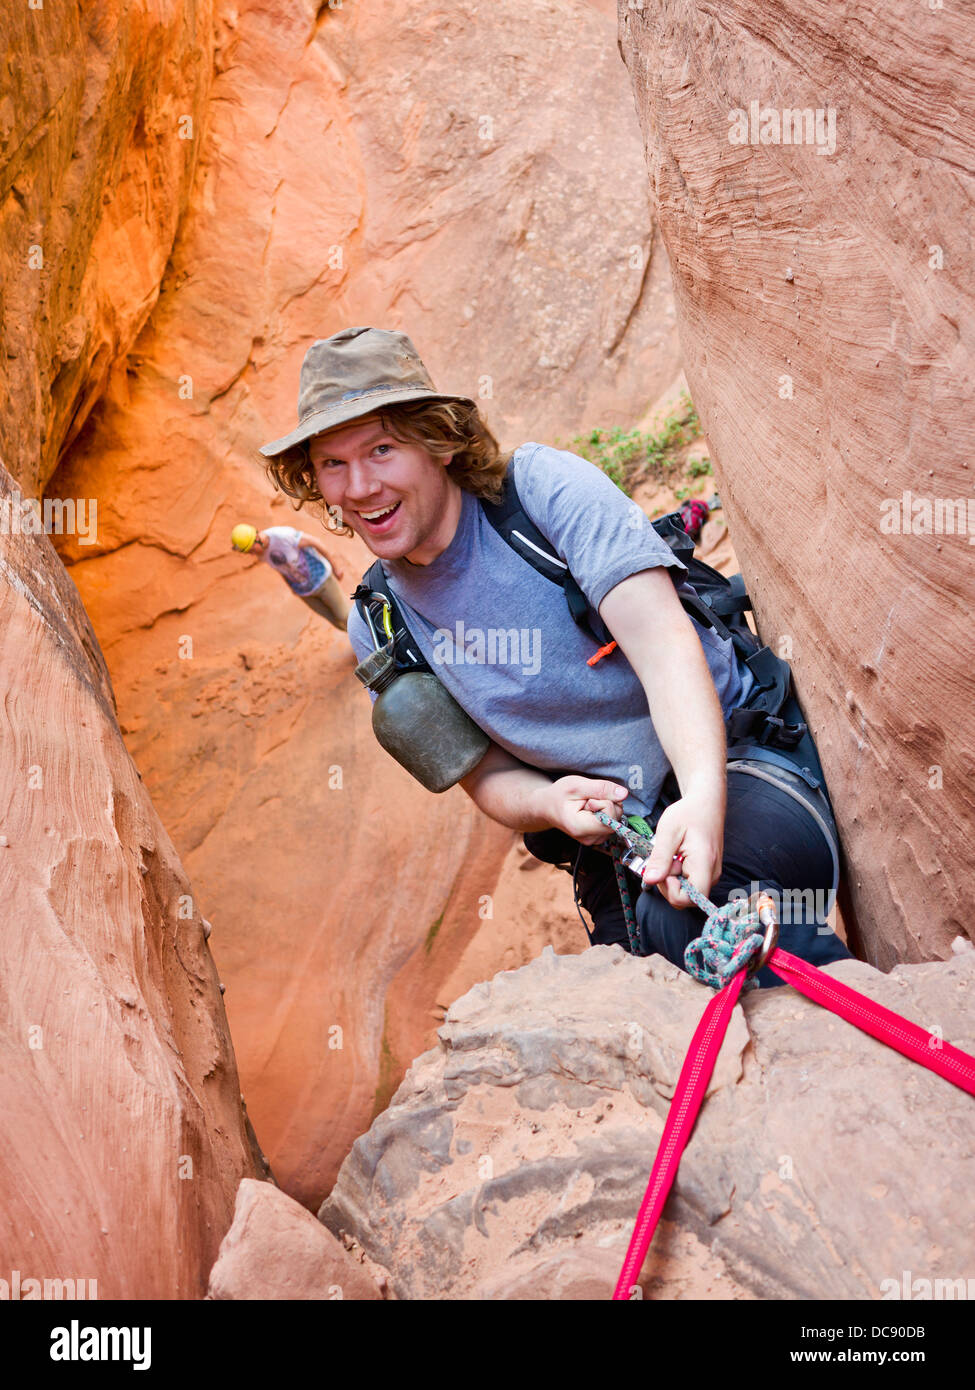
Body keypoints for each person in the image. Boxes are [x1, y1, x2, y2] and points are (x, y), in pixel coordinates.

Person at [259, 326, 852, 986]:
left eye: (382, 449)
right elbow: (483, 776)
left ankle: (872, 1031)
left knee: (686, 921)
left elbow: (664, 647)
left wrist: (702, 800)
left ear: (439, 441)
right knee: (634, 982)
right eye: (332, 464)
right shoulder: (380, 625)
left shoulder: (540, 495)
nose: (360, 486)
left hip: (738, 766)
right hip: (620, 846)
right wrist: (547, 803)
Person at [230, 523, 349, 631]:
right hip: (305, 593)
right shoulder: (260, 554)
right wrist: (292, 588)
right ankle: (359, 642)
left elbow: (315, 542)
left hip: (322, 579)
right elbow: (281, 569)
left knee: (344, 616)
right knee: (337, 623)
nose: (251, 554)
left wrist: (335, 567)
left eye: (250, 550)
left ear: (256, 539)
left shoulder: (282, 536)